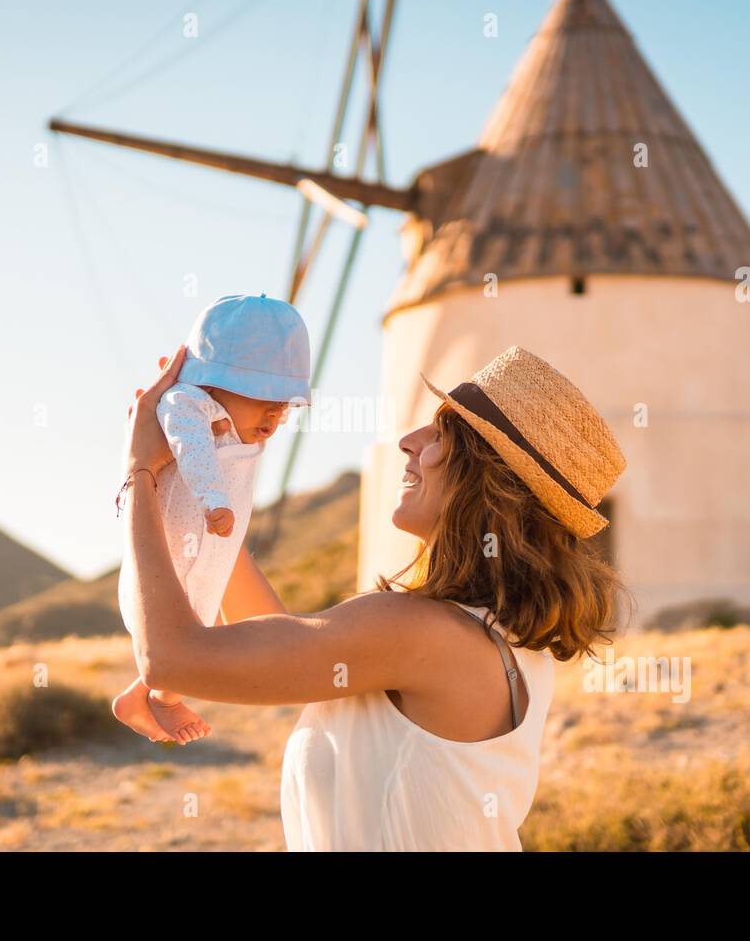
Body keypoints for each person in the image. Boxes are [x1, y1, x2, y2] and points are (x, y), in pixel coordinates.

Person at [117, 343, 627, 850]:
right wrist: (213, 485)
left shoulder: (417, 631)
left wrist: (139, 472)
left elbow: (170, 658)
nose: (409, 440)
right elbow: (294, 661)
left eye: (442, 431)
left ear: (487, 478)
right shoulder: (505, 645)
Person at [112, 293, 310, 745]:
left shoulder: (235, 425)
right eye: (264, 396)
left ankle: (142, 695)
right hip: (178, 544)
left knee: (204, 632)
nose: (277, 413)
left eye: (286, 404)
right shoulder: (187, 403)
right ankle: (159, 699)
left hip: (208, 551)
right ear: (213, 382)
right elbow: (192, 451)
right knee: (183, 638)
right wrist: (213, 499)